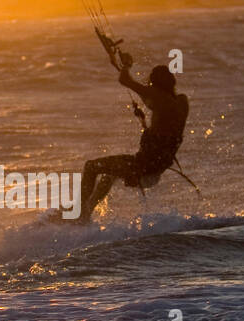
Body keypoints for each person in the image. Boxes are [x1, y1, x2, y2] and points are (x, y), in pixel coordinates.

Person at [79, 59, 189, 220]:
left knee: (90, 167)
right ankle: (86, 214)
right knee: (108, 175)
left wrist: (126, 65)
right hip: (156, 170)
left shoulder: (157, 96)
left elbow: (125, 80)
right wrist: (144, 121)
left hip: (141, 168)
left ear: (155, 85)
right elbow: (163, 133)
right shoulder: (182, 102)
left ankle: (79, 214)